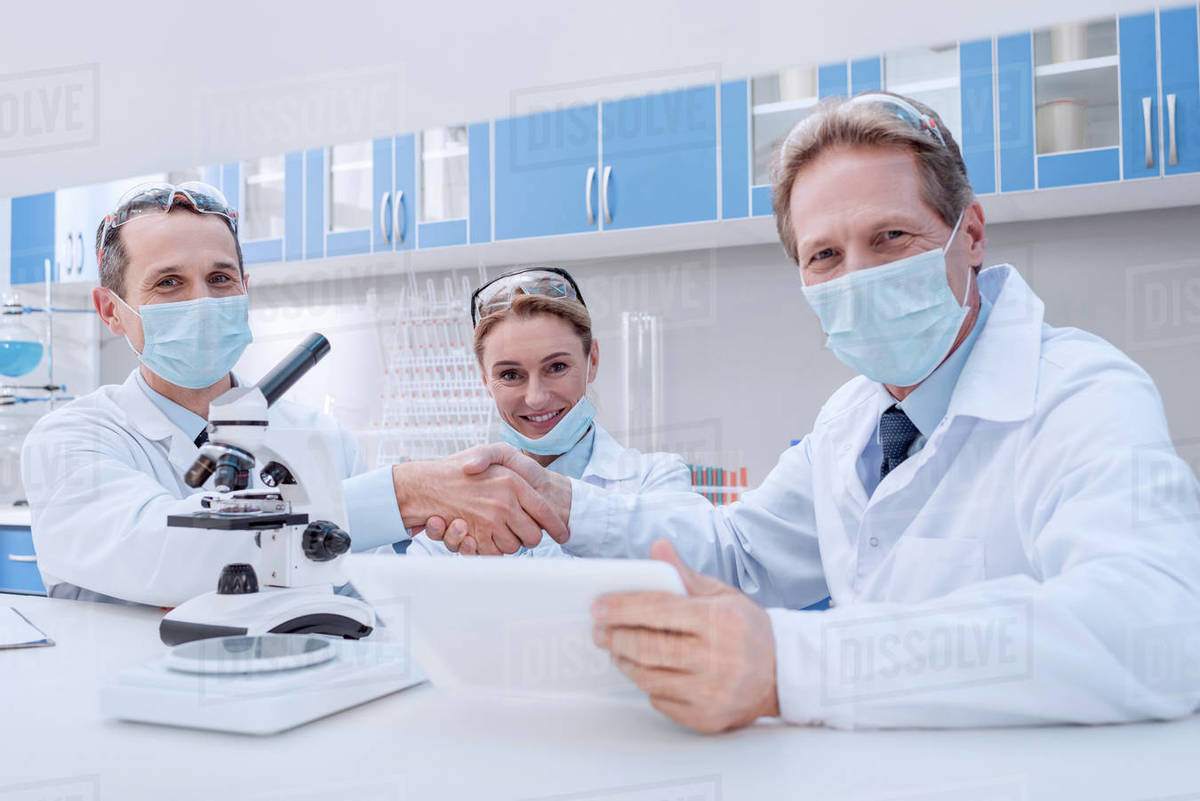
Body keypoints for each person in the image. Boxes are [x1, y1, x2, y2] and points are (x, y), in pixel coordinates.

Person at [426, 93, 1200, 731]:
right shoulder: (852, 419)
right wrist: (560, 503)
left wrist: (792, 663)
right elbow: (741, 554)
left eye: (890, 237)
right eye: (824, 256)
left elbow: (1155, 626)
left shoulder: (1082, 392)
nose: (854, 277)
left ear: (969, 235)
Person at [20, 182, 564, 607]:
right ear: (111, 310)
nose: (203, 301)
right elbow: (163, 556)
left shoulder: (318, 437)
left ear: (245, 290)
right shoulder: (72, 441)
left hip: (297, 708)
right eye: (168, 283)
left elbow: (359, 589)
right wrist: (406, 494)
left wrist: (449, 531)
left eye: (220, 278)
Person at [409, 267, 690, 557]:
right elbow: (411, 589)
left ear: (592, 361)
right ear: (485, 381)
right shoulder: (461, 496)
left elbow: (680, 571)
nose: (536, 398)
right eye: (510, 375)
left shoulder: (656, 480)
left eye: (557, 367)